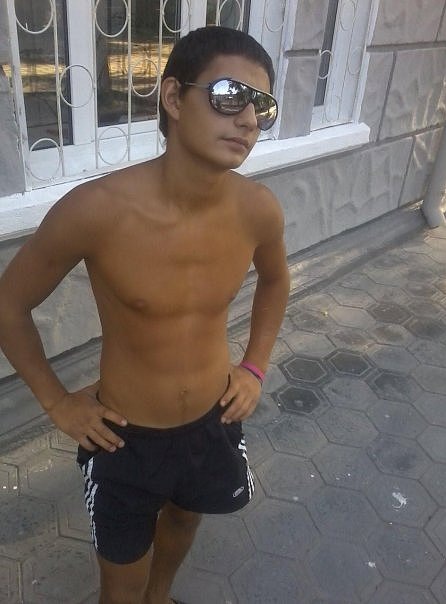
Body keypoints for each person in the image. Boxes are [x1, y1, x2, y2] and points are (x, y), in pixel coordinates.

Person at [0, 26, 290, 604]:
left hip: (213, 420)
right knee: (121, 582)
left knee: (183, 521)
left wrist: (255, 368)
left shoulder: (257, 209)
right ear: (174, 97)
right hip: (124, 439)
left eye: (262, 107)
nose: (248, 119)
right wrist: (57, 402)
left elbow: (277, 280)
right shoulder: (98, 210)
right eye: (230, 95)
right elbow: (9, 303)